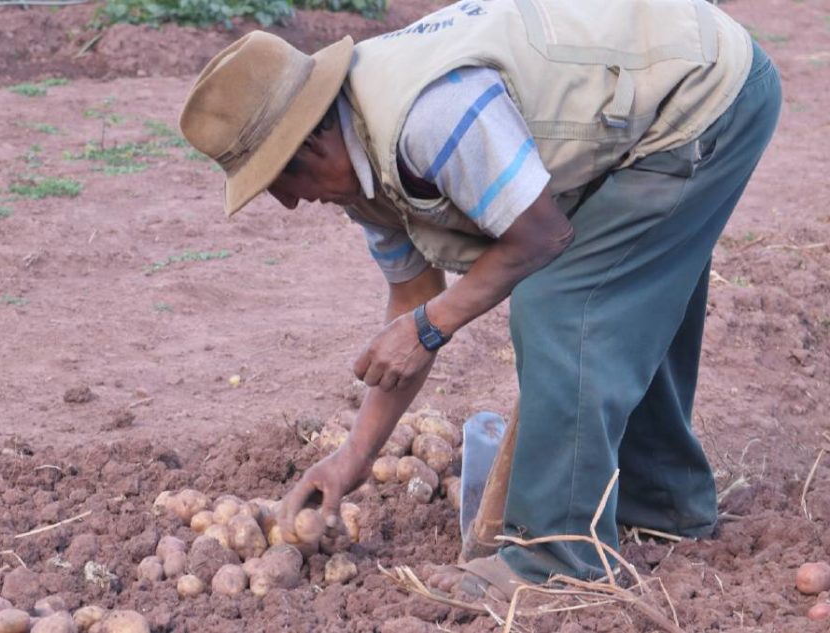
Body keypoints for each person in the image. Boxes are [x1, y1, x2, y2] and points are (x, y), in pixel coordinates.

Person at [178, 0, 781, 600]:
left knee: (562, 305)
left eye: (278, 180)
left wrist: (430, 327)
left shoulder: (428, 116)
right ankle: (662, 503)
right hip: (653, 103)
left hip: (703, 94)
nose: (287, 203)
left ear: (310, 143)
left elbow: (541, 238)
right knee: (625, 288)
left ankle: (555, 560)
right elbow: (413, 302)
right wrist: (353, 457)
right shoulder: (362, 173)